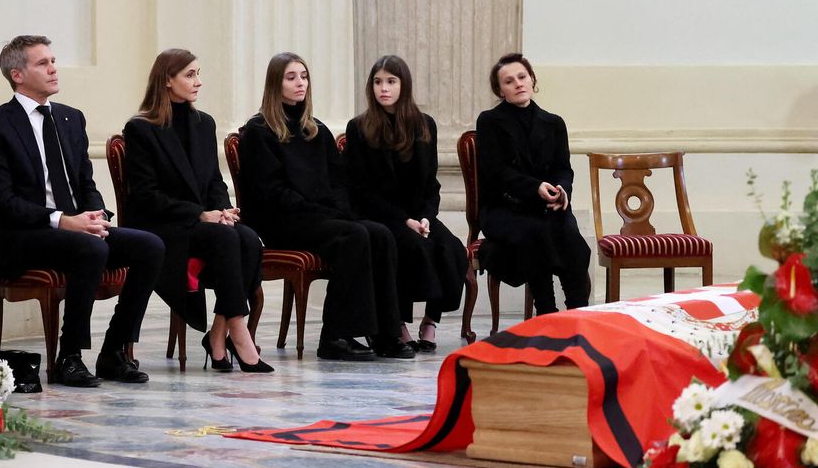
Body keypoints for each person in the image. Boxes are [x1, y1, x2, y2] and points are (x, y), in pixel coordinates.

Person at [0, 35, 165, 387]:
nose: (53, 68)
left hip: (74, 228)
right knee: (91, 247)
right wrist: (62, 221)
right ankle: (70, 356)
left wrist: (95, 215)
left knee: (149, 245)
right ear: (17, 74)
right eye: (42, 63)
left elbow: (85, 182)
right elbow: (3, 202)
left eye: (54, 60)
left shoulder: (70, 118)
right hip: (22, 237)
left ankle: (114, 350)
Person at [238, 52, 411, 361]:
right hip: (282, 221)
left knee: (380, 233)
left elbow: (338, 183)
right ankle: (335, 336)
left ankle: (385, 333)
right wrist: (327, 213)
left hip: (321, 218)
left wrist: (339, 210)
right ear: (275, 85)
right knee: (353, 236)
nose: (299, 83)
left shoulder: (315, 130)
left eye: (303, 76)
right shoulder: (259, 131)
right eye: (291, 78)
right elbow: (271, 193)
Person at [122, 49, 271, 373]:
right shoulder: (141, 129)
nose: (198, 82)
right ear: (166, 80)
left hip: (203, 223)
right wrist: (199, 214)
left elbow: (214, 181)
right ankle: (239, 334)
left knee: (246, 237)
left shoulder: (204, 124)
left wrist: (222, 209)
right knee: (226, 240)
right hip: (163, 225)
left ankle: (218, 336)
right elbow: (146, 196)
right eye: (190, 75)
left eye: (198, 73)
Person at [343, 55, 467, 353]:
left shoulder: (425, 126)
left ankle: (431, 321)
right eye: (377, 82)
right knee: (410, 248)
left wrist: (425, 217)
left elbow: (431, 184)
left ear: (404, 85)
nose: (383, 88)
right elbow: (360, 190)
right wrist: (403, 221)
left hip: (418, 214)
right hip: (381, 215)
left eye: (390, 81)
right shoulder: (359, 127)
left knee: (450, 250)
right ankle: (397, 322)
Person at [475, 52, 591, 314]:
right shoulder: (490, 121)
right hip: (505, 207)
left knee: (571, 238)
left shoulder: (554, 123)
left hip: (548, 205)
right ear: (500, 90)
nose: (517, 83)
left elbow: (564, 168)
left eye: (521, 76)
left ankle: (577, 312)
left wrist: (563, 191)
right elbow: (495, 172)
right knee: (537, 234)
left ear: (532, 80)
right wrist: (535, 188)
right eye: (508, 81)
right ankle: (547, 310)